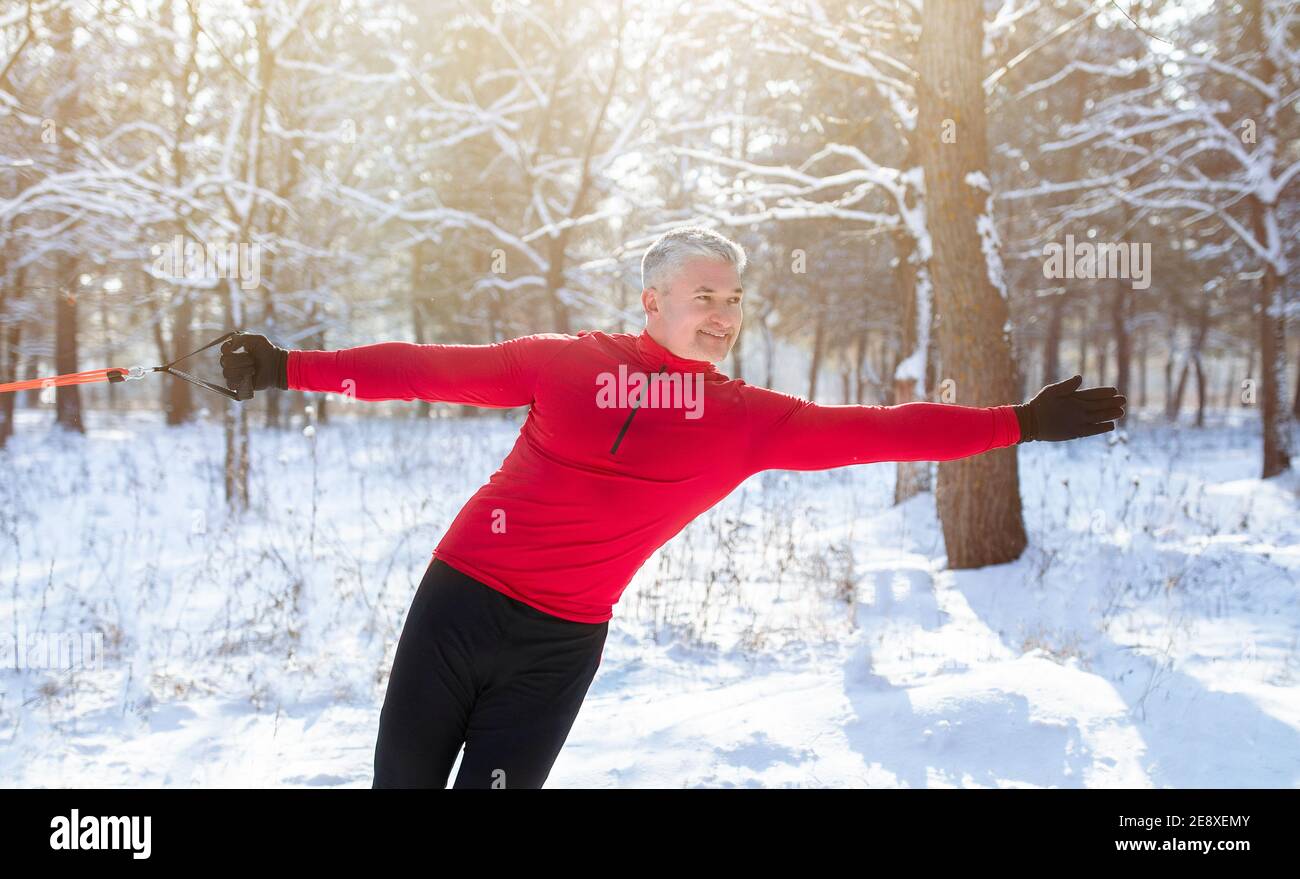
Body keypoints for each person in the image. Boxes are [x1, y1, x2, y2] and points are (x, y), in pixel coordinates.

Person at [219, 226, 1126, 788]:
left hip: (560, 644)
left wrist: (1018, 423)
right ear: (652, 301)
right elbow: (420, 370)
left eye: (734, 299)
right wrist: (287, 367)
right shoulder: (562, 364)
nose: (724, 313)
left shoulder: (745, 422)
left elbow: (881, 430)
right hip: (459, 600)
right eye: (705, 296)